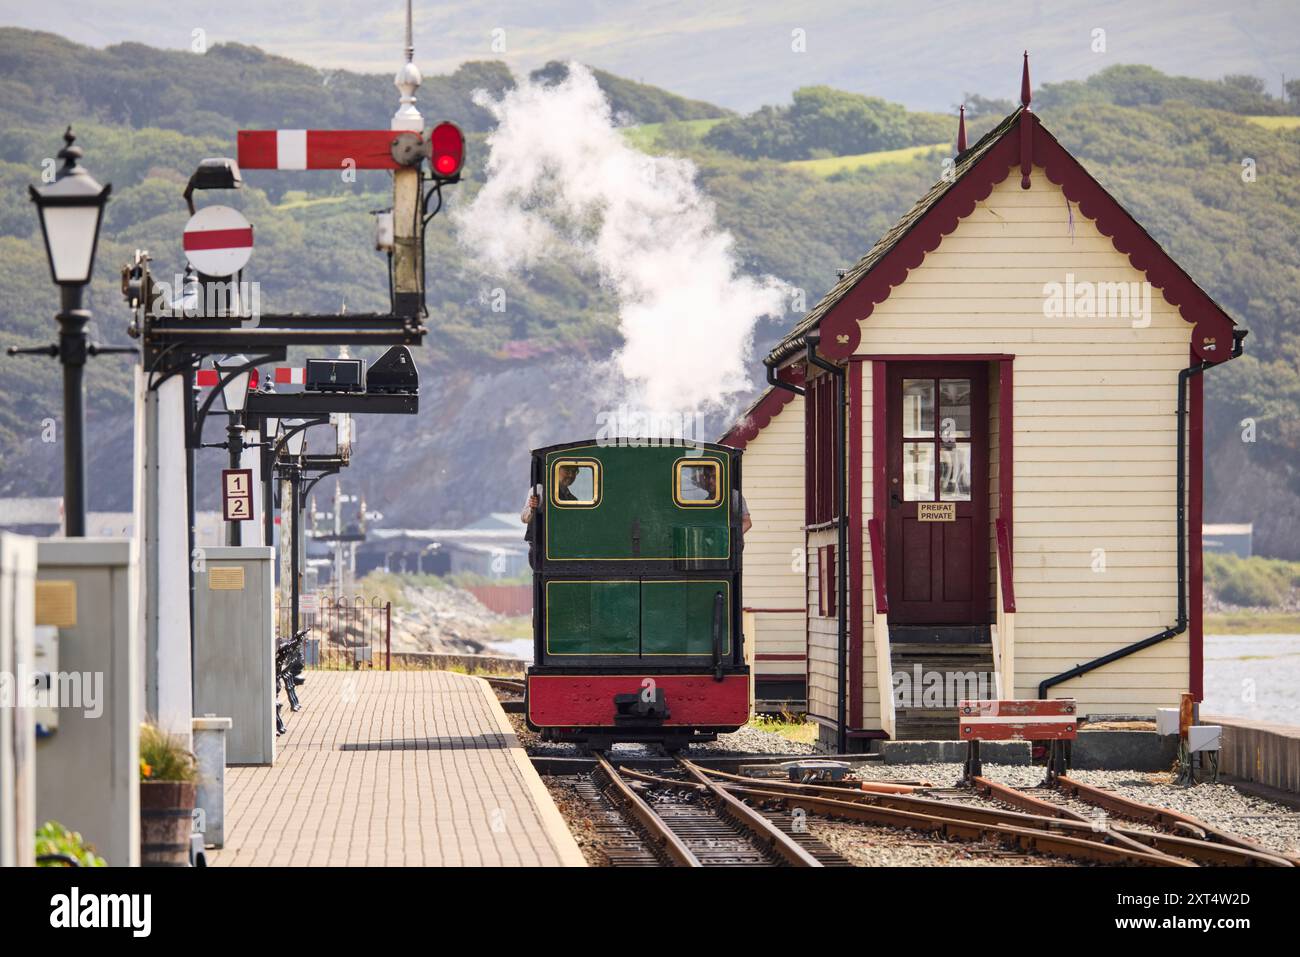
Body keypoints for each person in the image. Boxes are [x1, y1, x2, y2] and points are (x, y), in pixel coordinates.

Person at [693, 464, 751, 536]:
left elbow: (747, 522)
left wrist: (729, 537)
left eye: (714, 477)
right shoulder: (706, 501)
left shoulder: (733, 495)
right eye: (707, 477)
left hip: (730, 545)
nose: (710, 481)